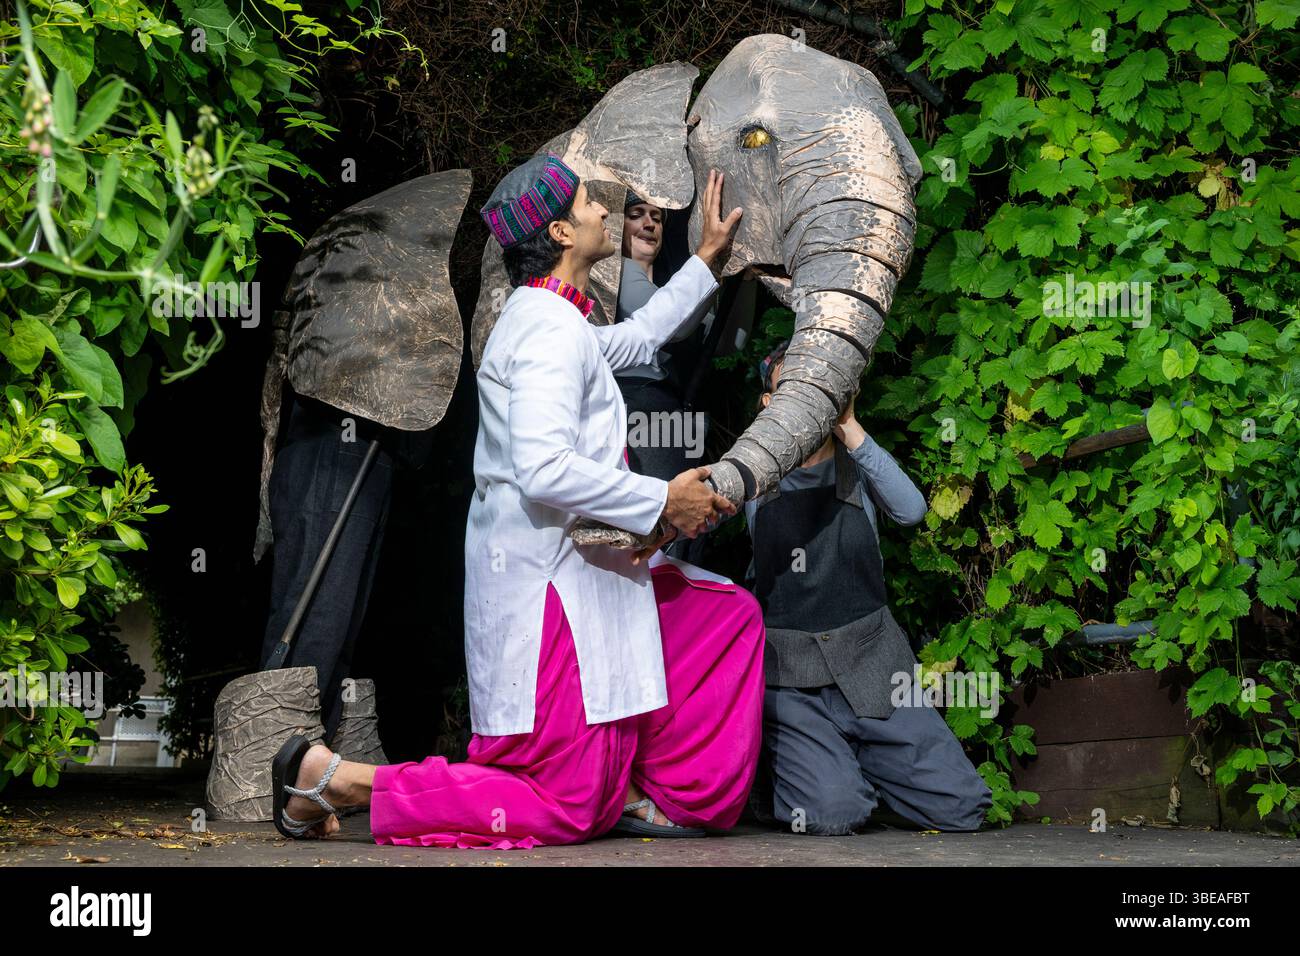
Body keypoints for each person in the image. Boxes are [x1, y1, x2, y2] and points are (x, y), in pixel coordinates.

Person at [272, 152, 767, 848]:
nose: (602, 209)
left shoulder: (557, 320)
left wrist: (707, 261)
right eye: (587, 205)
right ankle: (342, 781)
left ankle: (637, 783)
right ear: (562, 235)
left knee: (723, 619)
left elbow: (633, 340)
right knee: (565, 808)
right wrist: (661, 500)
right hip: (550, 593)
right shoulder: (544, 330)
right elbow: (543, 469)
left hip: (573, 576)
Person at [746, 340, 992, 835]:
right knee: (834, 814)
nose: (807, 400)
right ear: (769, 405)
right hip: (792, 678)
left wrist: (849, 426)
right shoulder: (753, 474)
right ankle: (804, 776)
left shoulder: (859, 466)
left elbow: (912, 510)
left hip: (872, 667)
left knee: (963, 808)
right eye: (792, 389)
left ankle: (853, 766)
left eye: (818, 388)